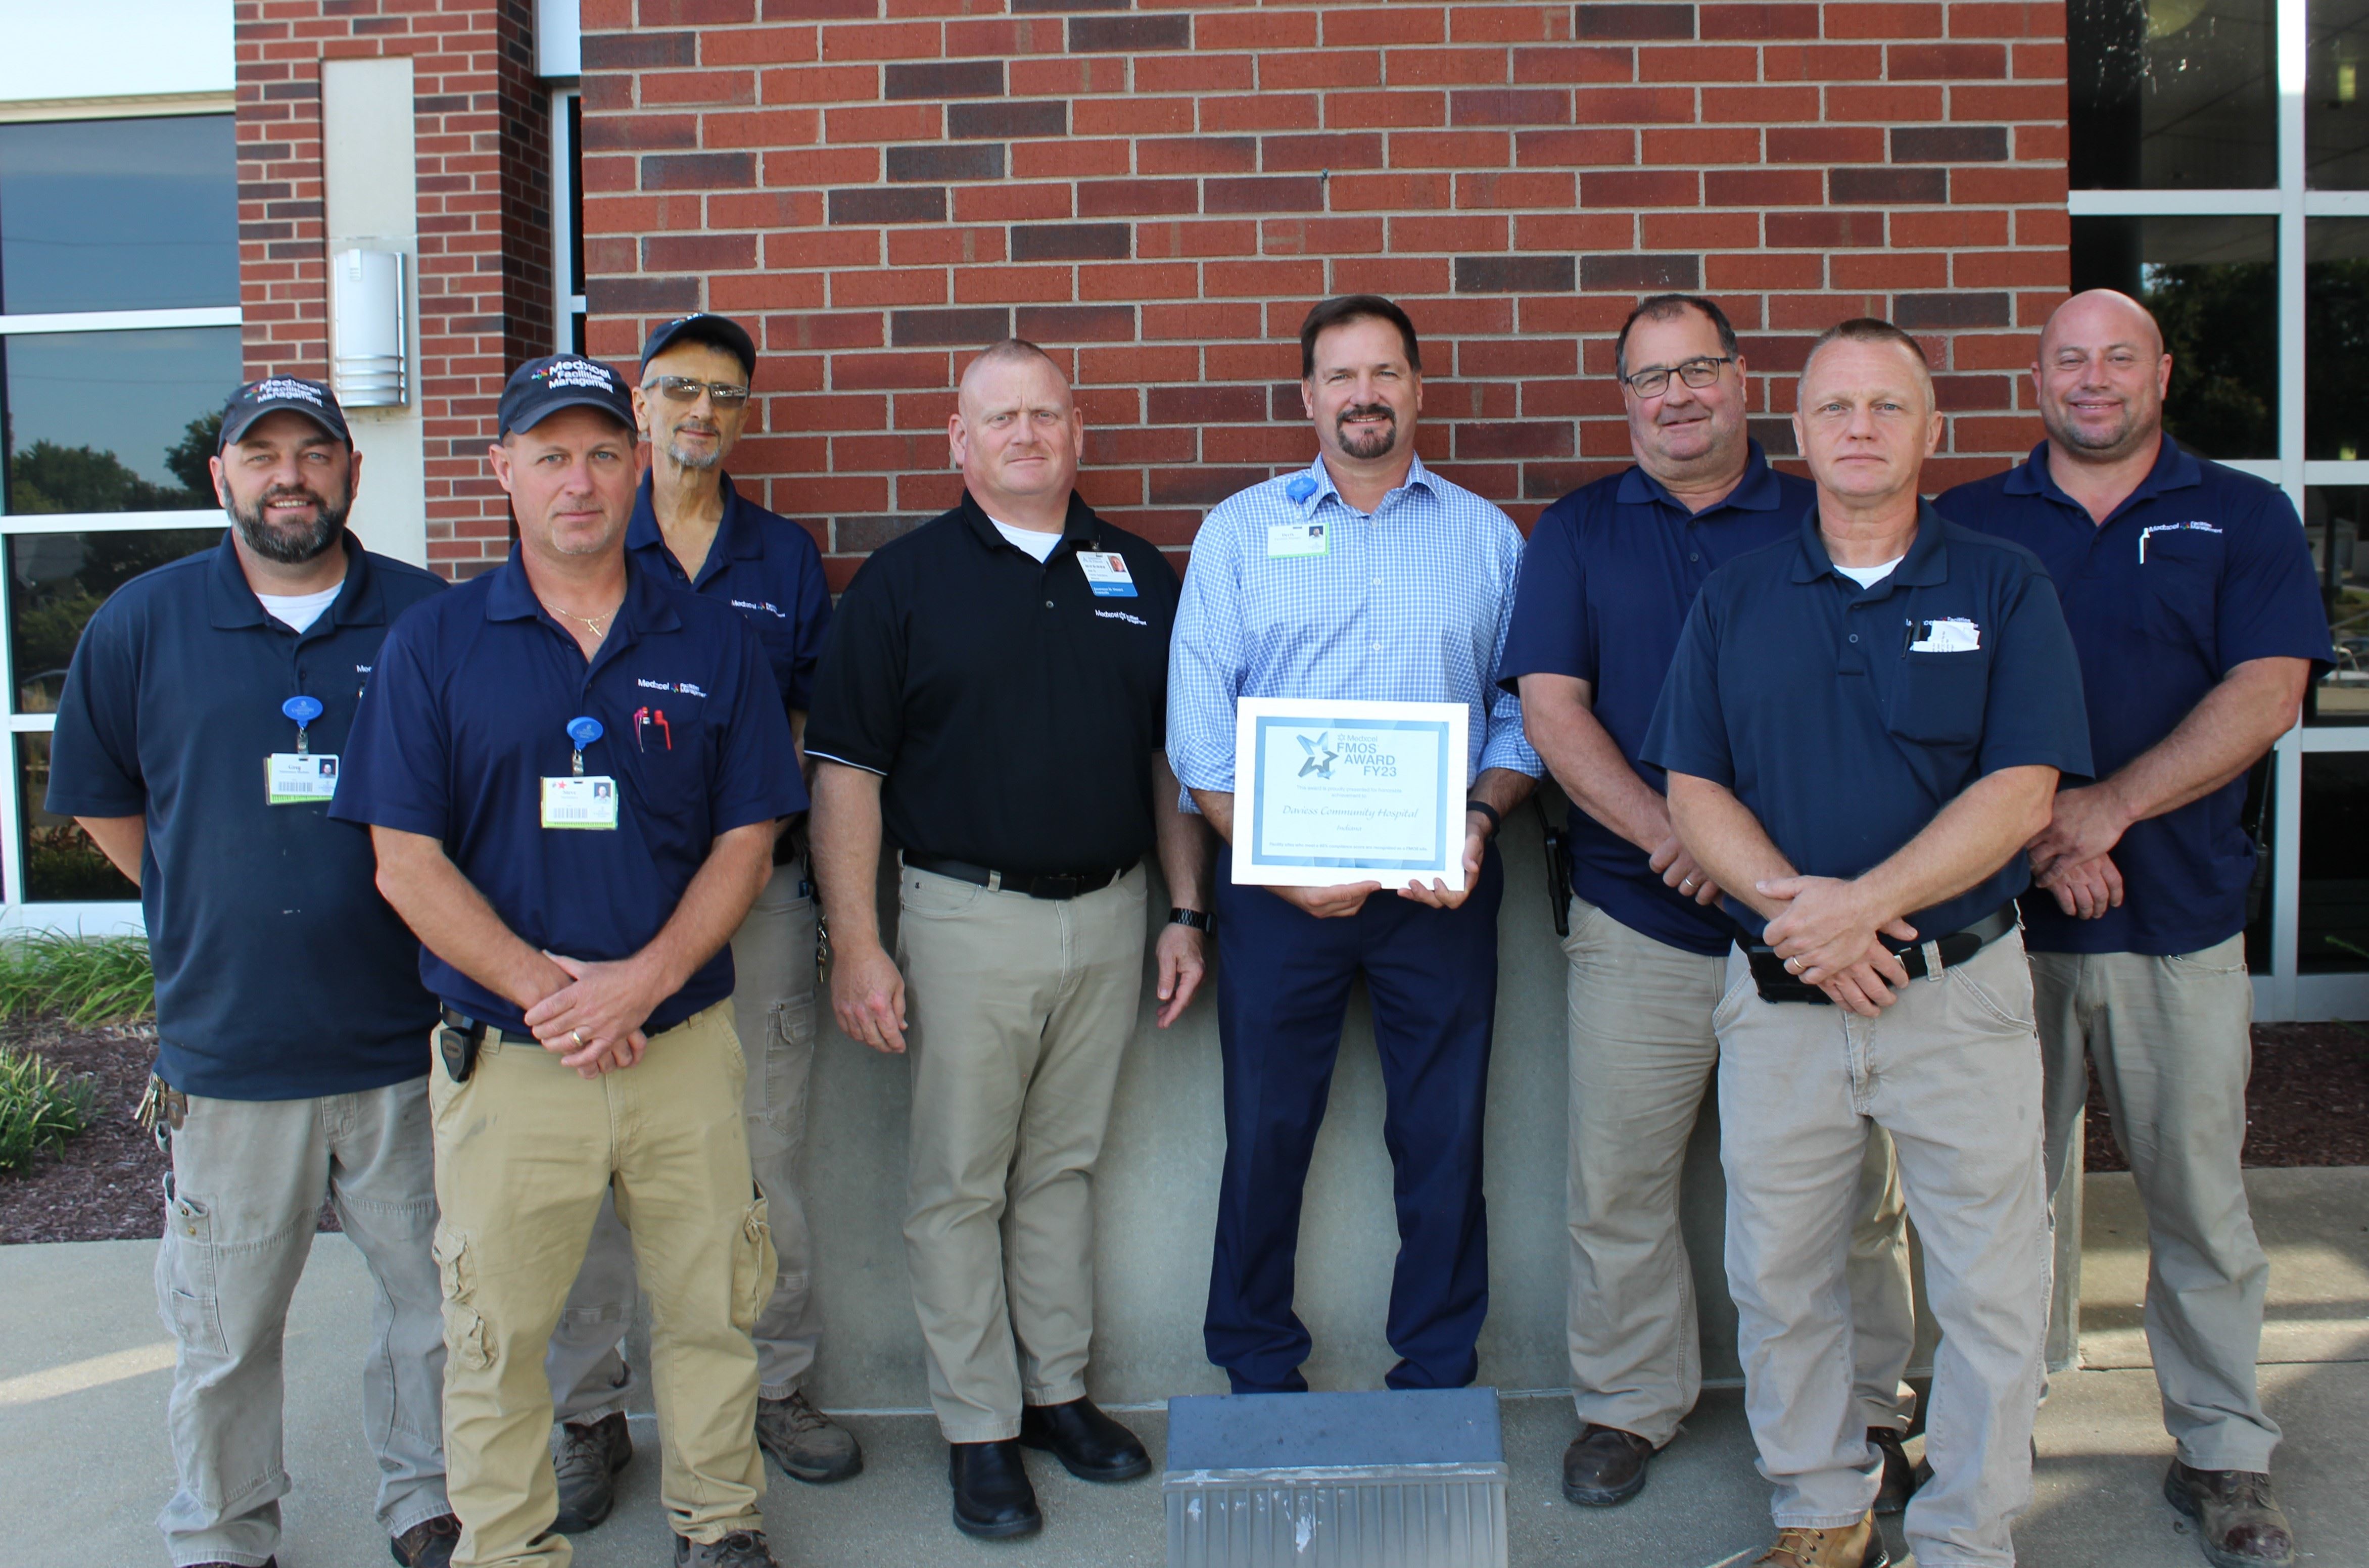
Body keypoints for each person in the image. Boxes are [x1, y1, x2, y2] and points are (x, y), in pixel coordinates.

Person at [331, 354, 804, 1568]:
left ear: (640, 462)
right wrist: (558, 994)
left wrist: (638, 981)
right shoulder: (435, 644)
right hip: (508, 1056)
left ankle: (720, 1522)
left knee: (711, 1309)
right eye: (549, 454)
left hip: (680, 1047)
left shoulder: (709, 639)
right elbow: (406, 861)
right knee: (496, 1331)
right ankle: (509, 1546)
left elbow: (747, 839)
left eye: (602, 452)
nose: (579, 479)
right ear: (502, 471)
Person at [1643, 318, 2092, 1568]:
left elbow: (2021, 790)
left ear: (1929, 431)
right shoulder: (1735, 596)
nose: (1858, 428)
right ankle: (1820, 1513)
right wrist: (1808, 920)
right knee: (1780, 1275)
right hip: (1782, 997)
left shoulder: (2004, 584)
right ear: (1799, 431)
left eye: (1885, 407)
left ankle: (1963, 1537)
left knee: (1989, 1287)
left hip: (1958, 995)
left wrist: (1860, 907)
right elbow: (1694, 792)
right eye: (1835, 408)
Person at [1500, 295, 1920, 1513]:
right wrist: (1672, 832)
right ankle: (1629, 1403)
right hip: (1641, 918)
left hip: (1814, 923)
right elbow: (1551, 710)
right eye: (1649, 378)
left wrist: (1780, 876)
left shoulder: (1820, 513)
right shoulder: (1578, 531)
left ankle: (1871, 1410)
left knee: (1848, 1188)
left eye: (1698, 371)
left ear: (1744, 384)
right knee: (1619, 1183)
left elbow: (1876, 703)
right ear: (1623, 398)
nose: (1675, 396)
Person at [1937, 289, 2327, 1568]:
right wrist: (2053, 832)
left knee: (2198, 1198)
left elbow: (2265, 692)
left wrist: (2108, 812)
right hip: (2002, 927)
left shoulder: (2243, 515)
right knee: (1994, 1202)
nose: (2092, 381)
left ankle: (2221, 1447)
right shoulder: (1974, 522)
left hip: (2180, 921)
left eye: (2117, 358)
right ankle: (1988, 1438)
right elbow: (1942, 706)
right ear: (2034, 378)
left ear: (2162, 369)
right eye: (2068, 361)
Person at [46, 376, 458, 1568]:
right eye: (262, 454)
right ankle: (224, 1529)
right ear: (219, 475)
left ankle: (424, 1497)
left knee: (430, 1306)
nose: (290, 475)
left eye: (314, 452)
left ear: (351, 473)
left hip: (406, 1040)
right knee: (225, 1326)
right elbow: (112, 808)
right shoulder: (143, 621)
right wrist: (204, 902)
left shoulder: (428, 618)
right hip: (232, 1047)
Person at [807, 339, 1209, 1542]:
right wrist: (857, 943)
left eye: (1045, 414)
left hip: (1110, 915)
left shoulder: (1135, 571)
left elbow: (1170, 761)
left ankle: (1057, 1396)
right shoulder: (904, 583)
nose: (1026, 435)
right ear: (959, 440)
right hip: (962, 916)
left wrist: (1184, 909)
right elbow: (847, 773)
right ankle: (977, 1428)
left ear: (1077, 430)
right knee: (958, 1185)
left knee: (1061, 1171)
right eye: (1001, 418)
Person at [1167, 294, 1543, 1398]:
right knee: (1267, 1131)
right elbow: (1200, 739)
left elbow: (1523, 715)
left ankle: (1435, 1364)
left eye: (1384, 373)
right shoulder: (1240, 532)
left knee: (1442, 1138)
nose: (1364, 395)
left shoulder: (1485, 537)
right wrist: (1283, 869)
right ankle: (1254, 1358)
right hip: (1279, 896)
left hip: (1443, 889)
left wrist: (1475, 822)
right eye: (1341, 376)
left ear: (1417, 390)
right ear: (1308, 397)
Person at [543, 313, 856, 1533]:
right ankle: (589, 1410)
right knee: (590, 1156)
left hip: (757, 895)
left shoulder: (779, 558)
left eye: (726, 396)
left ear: (744, 415)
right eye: (678, 389)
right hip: (593, 911)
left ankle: (776, 1384)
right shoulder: (574, 526)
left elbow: (817, 729)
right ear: (638, 399)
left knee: (763, 1150)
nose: (701, 414)